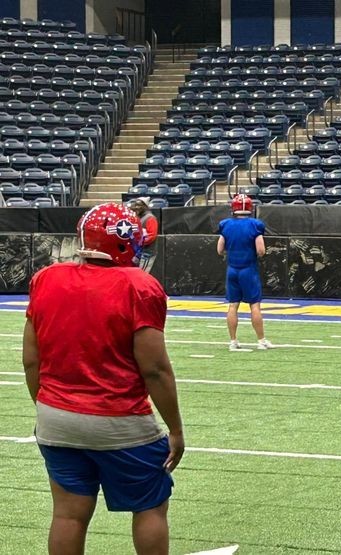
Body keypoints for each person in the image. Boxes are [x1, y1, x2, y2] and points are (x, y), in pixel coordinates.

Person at [23, 202, 184, 555]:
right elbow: (154, 369)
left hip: (55, 417)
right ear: (127, 242)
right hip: (119, 419)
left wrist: (51, 406)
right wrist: (175, 428)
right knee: (150, 506)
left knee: (68, 515)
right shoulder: (138, 285)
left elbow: (31, 360)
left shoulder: (47, 278)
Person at [218, 194, 272, 351]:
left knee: (233, 305)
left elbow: (219, 249)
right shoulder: (255, 225)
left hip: (232, 269)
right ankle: (261, 340)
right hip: (248, 269)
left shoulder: (226, 224)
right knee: (254, 305)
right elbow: (261, 250)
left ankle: (233, 341)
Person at [130, 197, 158, 272]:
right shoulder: (139, 218)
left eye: (139, 205)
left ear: (146, 206)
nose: (136, 207)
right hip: (138, 253)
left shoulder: (150, 218)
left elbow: (152, 236)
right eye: (135, 205)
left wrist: (138, 242)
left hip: (147, 252)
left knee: (142, 275)